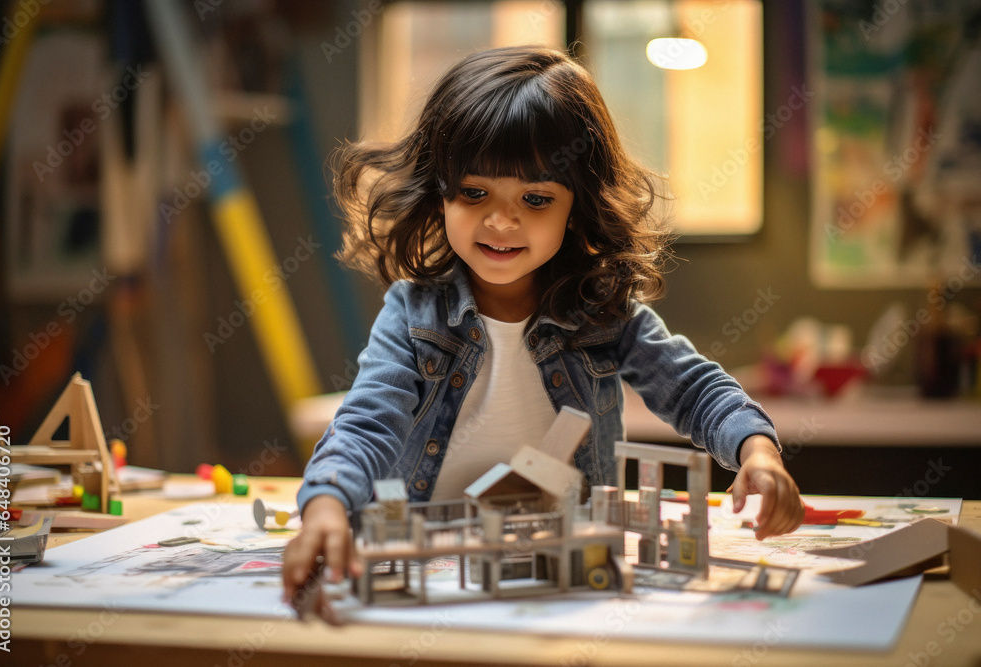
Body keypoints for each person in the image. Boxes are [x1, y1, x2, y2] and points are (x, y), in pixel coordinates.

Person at [282, 45, 804, 601]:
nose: (502, 220)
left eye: (535, 199)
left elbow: (694, 389)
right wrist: (326, 504)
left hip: (567, 577)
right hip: (434, 574)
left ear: (575, 208)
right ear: (440, 193)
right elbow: (366, 425)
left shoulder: (603, 312)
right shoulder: (413, 315)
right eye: (474, 192)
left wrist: (757, 451)